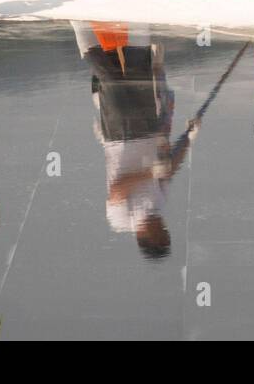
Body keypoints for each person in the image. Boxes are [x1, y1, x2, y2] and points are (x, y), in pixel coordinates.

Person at [71, 21, 179, 260]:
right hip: (149, 128)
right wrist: (174, 143)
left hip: (120, 136)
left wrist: (151, 173)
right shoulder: (159, 205)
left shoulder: (122, 221)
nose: (164, 226)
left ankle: (79, 23)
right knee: (139, 71)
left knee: (110, 79)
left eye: (162, 233)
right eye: (166, 231)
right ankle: (140, 21)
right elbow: (167, 172)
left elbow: (118, 189)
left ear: (149, 238)